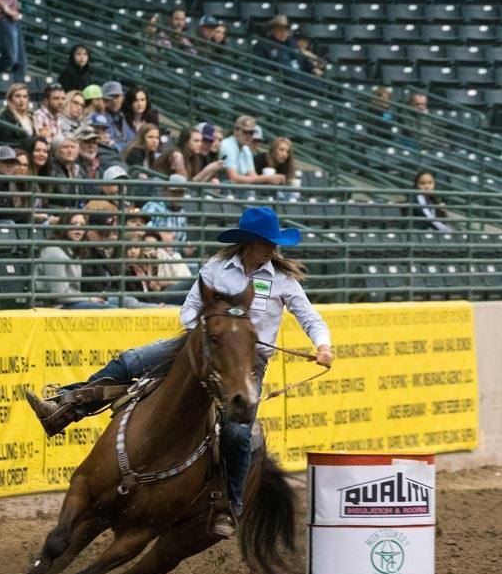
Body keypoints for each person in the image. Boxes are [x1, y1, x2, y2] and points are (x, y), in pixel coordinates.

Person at [24, 205, 334, 537]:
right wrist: (207, 330)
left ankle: (231, 504)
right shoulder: (216, 267)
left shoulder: (282, 280)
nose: (274, 249)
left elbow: (309, 316)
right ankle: (66, 406)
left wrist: (323, 345)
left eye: (275, 243)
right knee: (130, 362)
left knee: (237, 431)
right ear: (250, 242)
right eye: (268, 242)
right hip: (199, 347)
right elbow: (188, 310)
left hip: (246, 362)